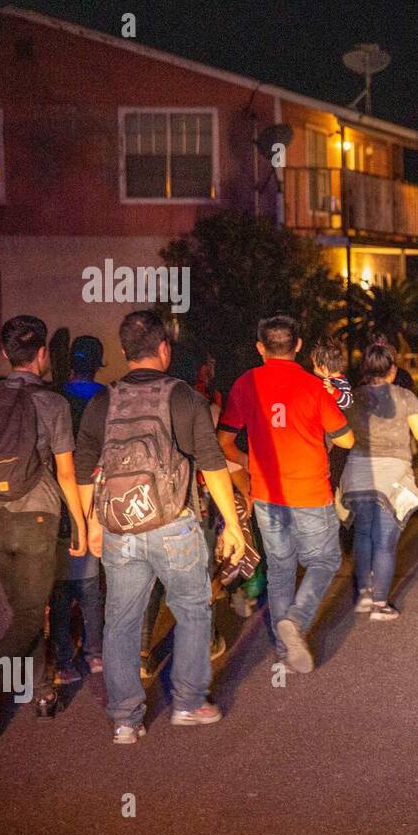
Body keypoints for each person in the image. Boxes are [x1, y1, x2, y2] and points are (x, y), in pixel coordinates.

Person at [76, 311, 245, 743]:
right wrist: (233, 526)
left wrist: (92, 524)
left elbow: (82, 470)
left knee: (120, 621)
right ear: (164, 349)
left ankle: (126, 720)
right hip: (175, 524)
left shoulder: (103, 401)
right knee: (191, 612)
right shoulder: (184, 397)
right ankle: (188, 704)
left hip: (119, 529)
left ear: (122, 352)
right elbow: (212, 464)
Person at [0, 316, 88, 740]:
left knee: (25, 615)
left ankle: (37, 695)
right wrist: (81, 526)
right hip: (37, 520)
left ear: (4, 355)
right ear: (43, 354)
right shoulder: (54, 404)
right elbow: (66, 474)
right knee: (33, 615)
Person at [217, 315, 353, 675]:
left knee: (280, 569)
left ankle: (283, 652)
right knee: (324, 561)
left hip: (266, 494)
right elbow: (346, 439)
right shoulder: (312, 386)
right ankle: (296, 619)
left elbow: (224, 442)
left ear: (260, 348)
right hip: (309, 491)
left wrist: (250, 460)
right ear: (297, 347)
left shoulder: (246, 383)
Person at [341, 340, 418, 618]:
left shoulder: (353, 397)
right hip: (392, 477)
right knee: (384, 542)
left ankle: (364, 594)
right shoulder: (405, 397)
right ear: (392, 370)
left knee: (363, 533)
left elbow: (338, 435)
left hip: (358, 474)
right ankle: (379, 604)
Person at [50, 334, 107, 683]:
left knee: (60, 585)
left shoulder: (55, 397)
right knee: (90, 582)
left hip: (58, 492)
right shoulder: (106, 398)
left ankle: (62, 660)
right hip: (96, 493)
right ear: (98, 363)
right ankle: (95, 653)